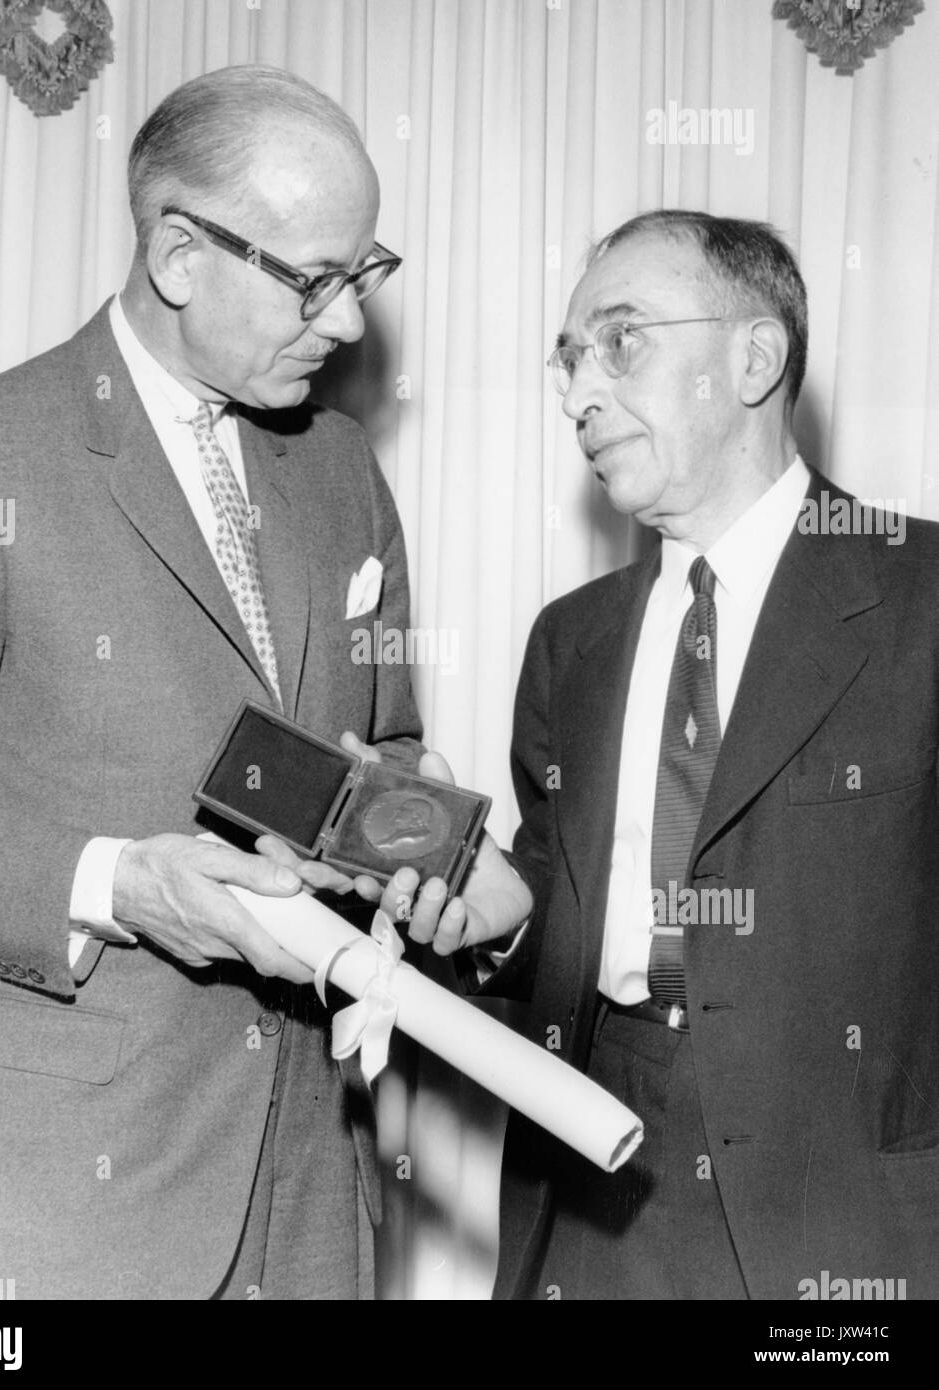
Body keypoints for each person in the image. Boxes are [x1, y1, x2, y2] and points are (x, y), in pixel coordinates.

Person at [0, 64, 423, 1300]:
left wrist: (434, 860)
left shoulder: (342, 471)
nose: (346, 324)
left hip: (311, 1186)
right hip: (68, 1198)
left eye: (363, 273)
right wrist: (117, 882)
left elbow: (386, 754)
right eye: (315, 280)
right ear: (179, 252)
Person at [388, 211, 939, 1300]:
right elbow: (560, 901)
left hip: (853, 1223)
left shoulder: (921, 595)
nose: (577, 391)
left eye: (621, 339)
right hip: (599, 1196)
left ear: (754, 356)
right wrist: (501, 918)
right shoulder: (570, 642)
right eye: (567, 357)